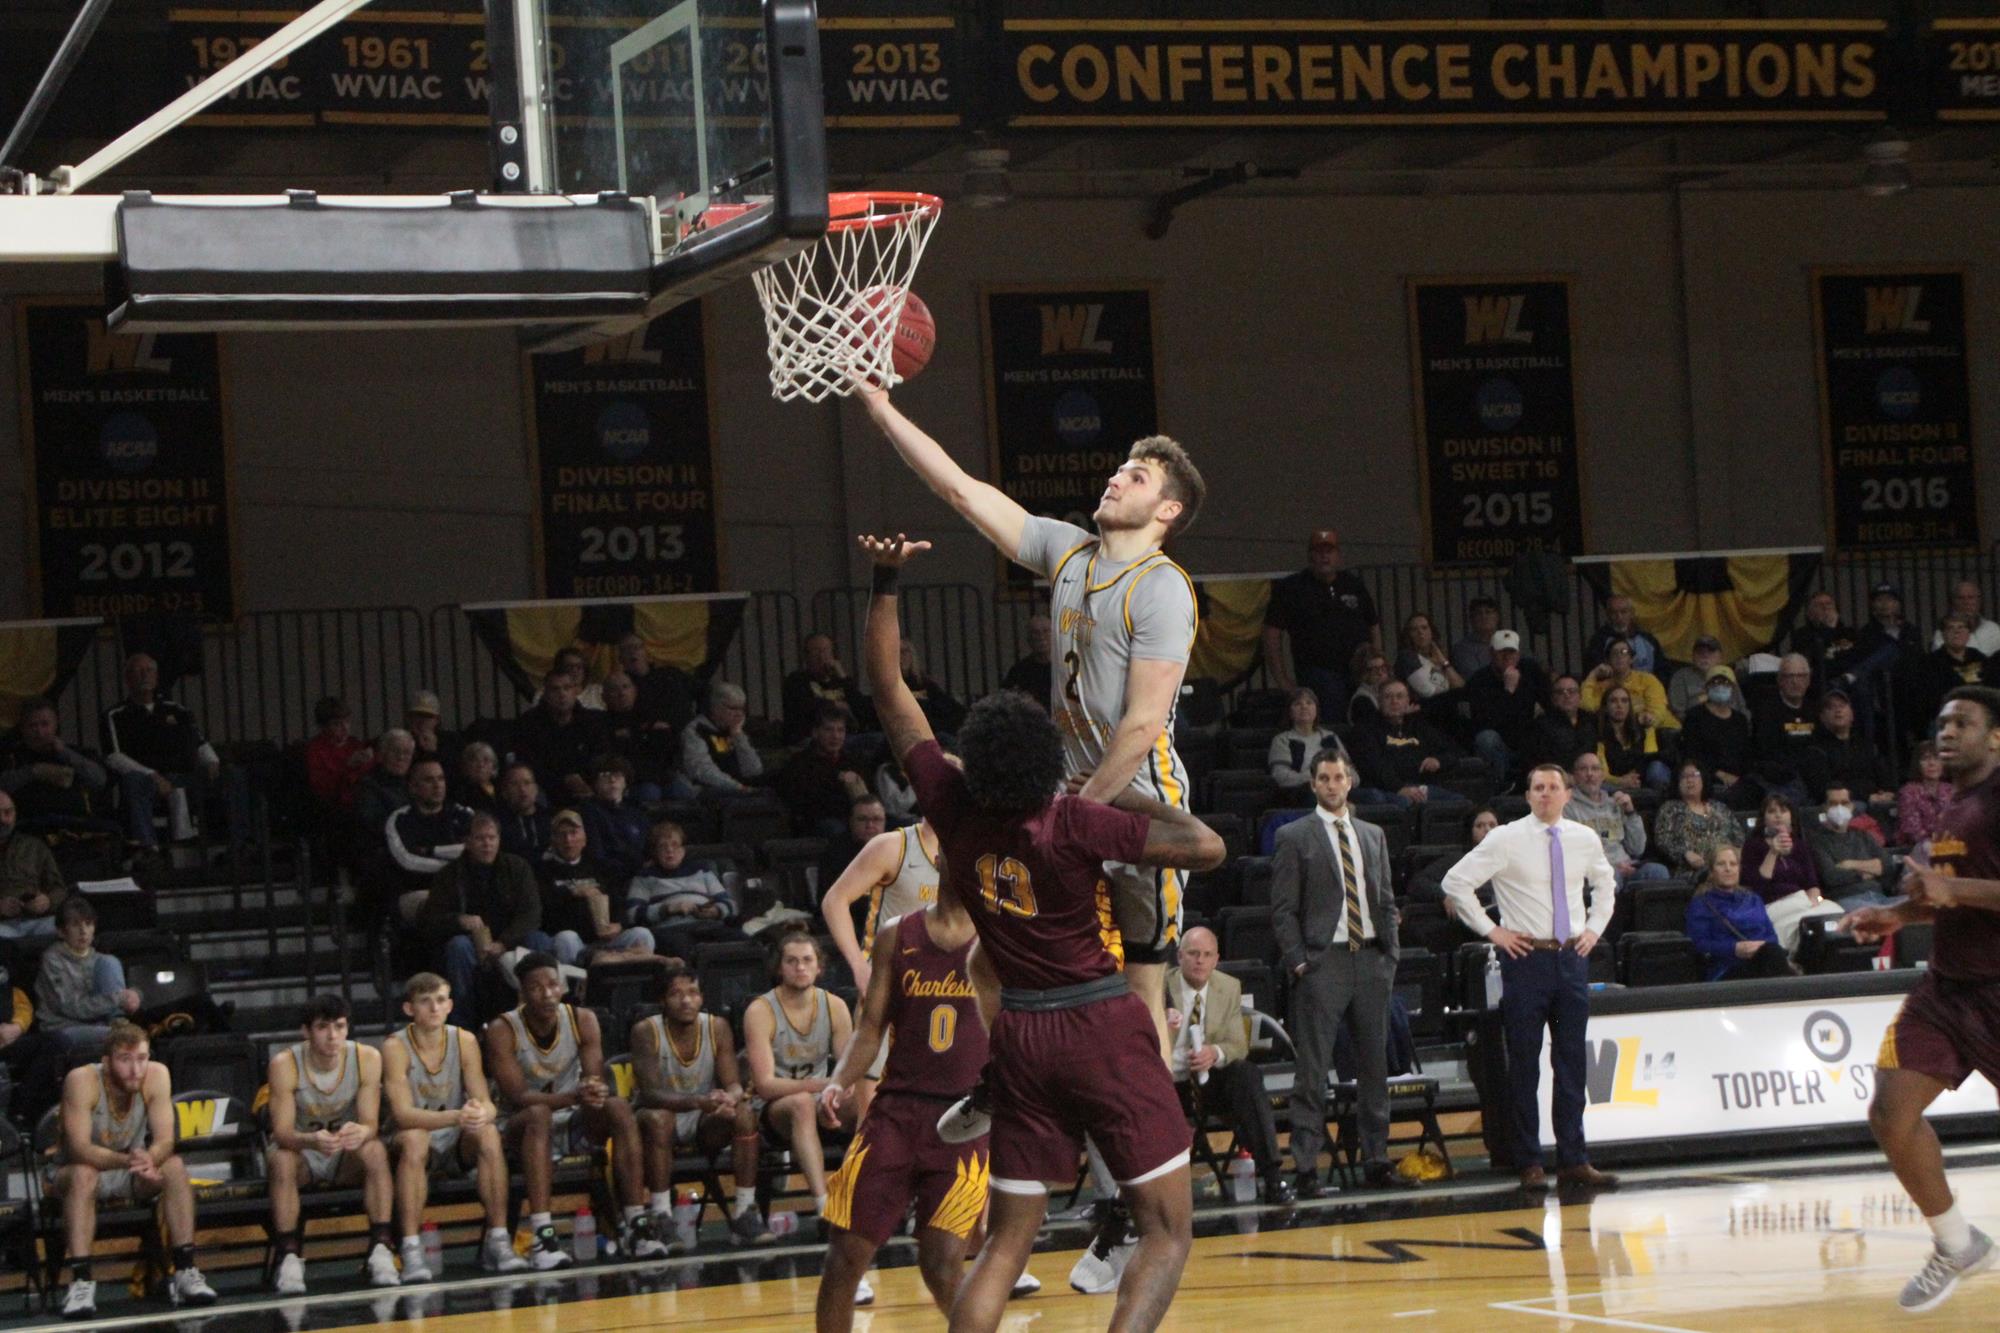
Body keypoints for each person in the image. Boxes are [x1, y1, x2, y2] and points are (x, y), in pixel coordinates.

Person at [858, 531, 1224, 1331]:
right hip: (1099, 1019)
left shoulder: (951, 808)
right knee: (1167, 1229)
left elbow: (888, 689)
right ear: (1044, 759)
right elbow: (1207, 847)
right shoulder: (1074, 819)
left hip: (1019, 1034)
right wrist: (1125, 792)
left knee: (1004, 1245)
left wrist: (885, 580)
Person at [859, 386, 1206, 1073]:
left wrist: (1077, 816)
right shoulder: (1068, 552)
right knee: (990, 960)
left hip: (1136, 797)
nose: (1116, 478)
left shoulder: (1163, 586)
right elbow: (961, 491)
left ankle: (1156, 1123)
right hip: (1066, 801)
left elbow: (1141, 725)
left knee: (1141, 984)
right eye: (1119, 468)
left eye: (1136, 476)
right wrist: (879, 407)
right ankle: (1010, 1080)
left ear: (1167, 511)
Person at [1838, 685, 2000, 1313]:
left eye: (1963, 722)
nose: (1947, 732)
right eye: (1942, 722)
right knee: (1890, 1111)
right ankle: (1957, 1243)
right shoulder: (1953, 804)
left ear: (1996, 736)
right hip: (1947, 989)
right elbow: (1946, 890)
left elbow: (1962, 890)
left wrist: (1955, 893)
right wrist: (1898, 914)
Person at [815, 867, 994, 1329]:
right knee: (844, 1256)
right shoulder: (897, 934)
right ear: (940, 860)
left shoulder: (1002, 937)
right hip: (896, 1113)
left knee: (942, 1263)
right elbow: (870, 1027)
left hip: (967, 1118)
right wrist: (838, 1081)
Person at [1439, 764, 1620, 1191]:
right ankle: (1529, 1161)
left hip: (1572, 957)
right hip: (1526, 960)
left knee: (1572, 1063)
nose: (1545, 794)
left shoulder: (1583, 837)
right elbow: (1455, 882)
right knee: (1524, 1063)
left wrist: (1595, 928)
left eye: (1553, 787)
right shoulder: (1506, 838)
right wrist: (1493, 931)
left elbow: (1606, 883)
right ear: (1527, 795)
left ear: (1567, 794)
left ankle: (1575, 1159)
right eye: (1538, 787)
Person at [1272, 750, 1405, 1198]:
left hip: (1370, 959)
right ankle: (1306, 1167)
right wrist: (1299, 961)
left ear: (1350, 781)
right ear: (1313, 784)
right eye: (1324, 778)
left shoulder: (1372, 834)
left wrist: (1390, 955)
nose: (1332, 785)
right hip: (1322, 961)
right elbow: (1283, 909)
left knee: (1374, 1067)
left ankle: (1376, 1159)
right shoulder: (1294, 835)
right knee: (1312, 1071)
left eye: (1339, 777)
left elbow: (1385, 899)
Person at [488, 951, 664, 1268]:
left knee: (618, 1108)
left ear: (562, 986)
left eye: (553, 985)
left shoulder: (583, 1019)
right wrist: (575, 1096)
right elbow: (519, 1096)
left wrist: (595, 1090)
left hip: (570, 1118)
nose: (548, 994)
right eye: (537, 987)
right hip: (518, 1126)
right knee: (539, 1114)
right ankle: (542, 1235)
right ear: (522, 993)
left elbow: (593, 1079)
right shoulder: (503, 1028)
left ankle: (635, 1224)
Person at [51, 1021, 217, 1317]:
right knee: (83, 1174)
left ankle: (185, 1270)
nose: (135, 1069)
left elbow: (165, 1141)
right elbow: (79, 1149)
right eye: (125, 1059)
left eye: (141, 1058)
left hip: (130, 1169)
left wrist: (149, 1160)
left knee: (174, 1167)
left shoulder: (157, 1075)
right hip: (74, 1172)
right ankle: (81, 1283)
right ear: (106, 1061)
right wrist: (129, 1160)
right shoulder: (82, 1080)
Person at [381, 973, 526, 1279]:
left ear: (450, 1005)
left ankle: (498, 1240)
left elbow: (486, 1102)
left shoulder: (464, 1040)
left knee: (488, 1132)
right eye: (425, 1001)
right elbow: (403, 1115)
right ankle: (411, 1249)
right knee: (415, 1138)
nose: (434, 1008)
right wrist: (459, 1116)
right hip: (410, 1140)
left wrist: (481, 1113)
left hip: (455, 1137)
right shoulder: (394, 1046)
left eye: (440, 1000)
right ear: (409, 1009)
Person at [632, 966, 772, 1248]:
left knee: (744, 1114)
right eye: (676, 994)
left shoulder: (717, 1027)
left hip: (703, 1118)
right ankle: (661, 1214)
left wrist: (729, 1099)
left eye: (693, 993)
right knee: (660, 1119)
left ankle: (744, 1212)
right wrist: (698, 1101)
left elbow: (733, 1083)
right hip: (660, 1117)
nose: (686, 1000)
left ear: (702, 997)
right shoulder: (646, 1031)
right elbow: (650, 1094)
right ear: (662, 1000)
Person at [266, 994, 399, 1294]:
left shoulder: (367, 1058)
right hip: (303, 1153)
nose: (332, 1035)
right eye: (323, 1027)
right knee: (281, 1159)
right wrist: (310, 1140)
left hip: (344, 1154)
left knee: (375, 1149)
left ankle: (381, 1248)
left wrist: (360, 1132)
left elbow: (371, 1124)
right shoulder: (285, 1064)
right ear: (306, 1031)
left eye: (339, 1026)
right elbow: (281, 1132)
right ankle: (288, 1256)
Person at [1162, 926, 1289, 1203]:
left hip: (1209, 1082)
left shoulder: (1228, 986)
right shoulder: (1162, 986)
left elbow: (1237, 1045)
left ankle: (1272, 1175)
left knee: (1246, 1075)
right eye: (1193, 954)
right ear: (1180, 956)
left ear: (1216, 959)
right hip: (1169, 1083)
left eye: (1207, 955)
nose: (1200, 961)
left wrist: (1214, 1053)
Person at [743, 929, 855, 1223]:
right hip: (774, 1108)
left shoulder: (835, 1006)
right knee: (801, 1103)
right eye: (792, 961)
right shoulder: (760, 1010)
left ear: (820, 967)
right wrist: (824, 1085)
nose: (800, 967)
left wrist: (839, 1090)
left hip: (822, 1098)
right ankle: (824, 1206)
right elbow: (765, 1086)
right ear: (779, 968)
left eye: (807, 960)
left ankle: (863, 1197)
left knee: (867, 1102)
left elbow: (849, 1069)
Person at [417, 813, 552, 1030]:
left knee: (540, 940)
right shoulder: (449, 875)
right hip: (471, 945)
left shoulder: (517, 867)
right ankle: (463, 1027)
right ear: (467, 842)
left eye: (491, 838)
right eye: (480, 838)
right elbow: (431, 920)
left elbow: (531, 914)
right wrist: (459, 920)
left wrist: (504, 942)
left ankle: (546, 1014)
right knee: (458, 947)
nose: (487, 844)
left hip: (511, 941)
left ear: (499, 839)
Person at [100, 652, 245, 851]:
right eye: (138, 671)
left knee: (233, 775)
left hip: (184, 775)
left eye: (149, 670)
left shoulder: (177, 710)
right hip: (147, 779)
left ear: (157, 676)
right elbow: (113, 756)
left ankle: (239, 844)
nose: (144, 675)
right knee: (133, 782)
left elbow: (199, 742)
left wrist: (212, 761)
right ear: (128, 678)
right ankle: (148, 849)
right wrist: (152, 775)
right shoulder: (116, 715)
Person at [1261, 530, 1381, 716]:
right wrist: (1282, 680)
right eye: (1319, 552)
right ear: (1310, 556)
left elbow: (1373, 624)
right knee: (1332, 721)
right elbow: (1272, 633)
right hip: (1319, 674)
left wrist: (1377, 663)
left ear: (1338, 555)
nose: (1325, 557)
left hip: (1359, 671)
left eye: (1329, 551)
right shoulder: (1292, 588)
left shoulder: (1353, 584)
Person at [821, 817, 939, 996]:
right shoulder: (891, 846)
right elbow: (835, 900)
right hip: (892, 980)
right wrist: (859, 966)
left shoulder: (975, 853)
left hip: (951, 981)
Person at [537, 810, 655, 967]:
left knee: (642, 934)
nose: (568, 840)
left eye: (573, 833)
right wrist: (572, 892)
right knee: (566, 938)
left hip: (606, 939)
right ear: (553, 840)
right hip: (574, 941)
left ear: (584, 838)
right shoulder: (543, 870)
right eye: (562, 834)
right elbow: (544, 908)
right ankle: (576, 981)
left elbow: (617, 900)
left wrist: (619, 925)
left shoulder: (599, 866)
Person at [625, 821, 748, 957]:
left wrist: (715, 911)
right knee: (682, 950)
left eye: (675, 845)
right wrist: (667, 909)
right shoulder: (643, 878)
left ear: (683, 850)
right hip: (670, 930)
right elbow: (632, 915)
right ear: (655, 852)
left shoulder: (703, 871)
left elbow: (731, 905)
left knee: (744, 942)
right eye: (663, 846)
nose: (670, 850)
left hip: (708, 925)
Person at [36, 897, 139, 1058]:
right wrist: (118, 999)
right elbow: (68, 1007)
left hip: (100, 1023)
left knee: (109, 962)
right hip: (63, 1027)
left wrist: (135, 996)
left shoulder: (100, 960)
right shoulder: (52, 959)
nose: (83, 931)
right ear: (62, 931)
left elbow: (125, 995)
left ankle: (118, 1023)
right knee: (123, 1040)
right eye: (75, 925)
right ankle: (119, 1033)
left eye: (88, 924)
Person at [0, 697, 112, 841]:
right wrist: (33, 771)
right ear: (22, 728)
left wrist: (65, 754)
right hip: (29, 828)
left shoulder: (80, 754)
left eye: (45, 724)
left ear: (55, 724)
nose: (39, 732)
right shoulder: (11, 758)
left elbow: (99, 780)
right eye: (33, 725)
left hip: (77, 824)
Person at [1740, 793, 1840, 952]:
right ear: (1764, 818)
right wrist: (1773, 852)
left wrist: (1813, 902)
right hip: (1772, 905)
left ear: (1791, 816)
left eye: (1783, 811)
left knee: (1835, 914)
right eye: (1772, 811)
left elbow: (1812, 884)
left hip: (1803, 901)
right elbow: (1757, 884)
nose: (1778, 815)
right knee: (1800, 927)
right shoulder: (1753, 846)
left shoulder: (1800, 845)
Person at [1348, 680, 1467, 808]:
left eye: (1399, 696)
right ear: (1379, 701)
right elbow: (1374, 766)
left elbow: (1455, 751)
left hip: (1421, 786)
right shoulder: (1365, 729)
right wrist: (1399, 788)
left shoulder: (1418, 726)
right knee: (1405, 803)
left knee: (1460, 802)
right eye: (1388, 697)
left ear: (1407, 701)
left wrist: (1438, 761)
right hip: (1387, 790)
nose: (1394, 701)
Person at [1684, 847, 1791, 981]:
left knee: (1774, 953)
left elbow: (1772, 937)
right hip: (1726, 969)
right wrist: (1734, 948)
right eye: (1721, 864)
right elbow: (1697, 944)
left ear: (1739, 869)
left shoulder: (1753, 899)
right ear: (1711, 871)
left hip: (1765, 958)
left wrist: (1759, 946)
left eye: (1733, 864)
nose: (1728, 869)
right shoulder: (1701, 904)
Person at [1565, 753, 1667, 891]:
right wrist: (1612, 867)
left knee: (1658, 872)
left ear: (1602, 775)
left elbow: (1637, 849)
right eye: (1583, 769)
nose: (1590, 774)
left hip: (1627, 867)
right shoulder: (1568, 807)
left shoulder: (1615, 803)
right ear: (1575, 776)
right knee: (1610, 877)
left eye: (1595, 769)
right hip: (1594, 872)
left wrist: (1631, 813)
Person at [1466, 630, 1552, 780]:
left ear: (1518, 654)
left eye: (1511, 652)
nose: (1507, 657)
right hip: (1499, 745)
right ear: (1491, 653)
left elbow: (1549, 702)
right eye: (1501, 652)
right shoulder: (1479, 680)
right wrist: (1508, 691)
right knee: (1486, 738)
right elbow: (1484, 723)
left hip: (1527, 741)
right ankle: (1498, 785)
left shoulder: (1530, 671)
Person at [508, 671, 607, 802]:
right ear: (545, 693)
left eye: (567, 688)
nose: (562, 694)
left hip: (588, 786)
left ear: (575, 691)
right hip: (546, 790)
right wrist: (563, 780)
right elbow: (528, 764)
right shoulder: (528, 723)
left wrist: (584, 780)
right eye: (555, 689)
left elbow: (602, 757)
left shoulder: (592, 721)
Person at [779, 704, 870, 837]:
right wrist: (838, 778)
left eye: (840, 730)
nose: (835, 736)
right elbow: (807, 803)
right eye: (829, 730)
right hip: (820, 821)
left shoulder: (853, 760)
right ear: (815, 733)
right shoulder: (801, 762)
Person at [601, 672, 691, 805]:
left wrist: (634, 733)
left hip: (661, 775)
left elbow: (667, 747)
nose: (622, 693)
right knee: (650, 792)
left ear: (635, 691)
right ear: (604, 696)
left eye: (625, 687)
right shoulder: (601, 723)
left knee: (682, 792)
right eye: (614, 689)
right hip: (630, 781)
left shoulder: (651, 715)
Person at [1808, 781, 1896, 907]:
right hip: (1846, 900)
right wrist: (1869, 871)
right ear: (1824, 808)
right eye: (1833, 804)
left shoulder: (1862, 835)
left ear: (1852, 806)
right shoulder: (1817, 841)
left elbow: (1888, 864)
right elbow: (1831, 877)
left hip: (1879, 896)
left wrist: (1849, 864)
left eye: (1844, 803)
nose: (1839, 808)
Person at [0, 789, 65, 954]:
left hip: (38, 920)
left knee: (71, 929)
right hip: (2, 925)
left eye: (8, 812)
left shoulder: (34, 847)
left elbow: (59, 889)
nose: (3, 819)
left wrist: (47, 901)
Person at [1652, 761, 1743, 878]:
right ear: (1677, 783)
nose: (1689, 780)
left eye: (1694, 775)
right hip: (1693, 872)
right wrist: (1685, 853)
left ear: (1703, 779)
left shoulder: (1720, 807)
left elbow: (1739, 839)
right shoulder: (1670, 809)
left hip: (1727, 867)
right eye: (1684, 776)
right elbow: (1663, 840)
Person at [1678, 664, 1755, 800]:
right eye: (1716, 682)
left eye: (1726, 683)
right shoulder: (1695, 716)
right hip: (1707, 777)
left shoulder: (1740, 719)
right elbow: (1692, 753)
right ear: (1706, 687)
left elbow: (1745, 754)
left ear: (1733, 689)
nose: (1721, 686)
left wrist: (1740, 778)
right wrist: (1719, 774)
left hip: (1738, 779)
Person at [1808, 687, 1896, 805]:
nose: (1838, 710)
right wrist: (1866, 797)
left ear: (1852, 714)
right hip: (1842, 804)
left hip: (1877, 801)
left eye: (1842, 706)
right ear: (1822, 717)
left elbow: (1884, 777)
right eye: (1831, 707)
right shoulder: (1817, 750)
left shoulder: (1867, 745)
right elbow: (1822, 789)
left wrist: (1888, 792)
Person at [783, 633, 870, 745]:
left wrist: (843, 677)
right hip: (811, 737)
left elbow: (860, 706)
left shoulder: (840, 681)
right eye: (816, 652)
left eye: (826, 651)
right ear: (807, 657)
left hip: (846, 735)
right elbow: (804, 706)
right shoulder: (797, 680)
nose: (821, 657)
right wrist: (835, 705)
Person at [681, 681, 764, 797]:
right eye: (733, 708)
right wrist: (736, 787)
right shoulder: (696, 730)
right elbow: (701, 770)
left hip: (738, 786)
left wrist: (738, 736)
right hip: (710, 789)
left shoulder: (735, 729)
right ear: (716, 708)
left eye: (741, 709)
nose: (739, 714)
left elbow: (754, 770)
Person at [1406, 806, 1501, 904]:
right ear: (1470, 832)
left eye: (1492, 825)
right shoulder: (1458, 861)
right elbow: (1418, 882)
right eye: (1479, 826)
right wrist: (1444, 897)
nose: (1487, 830)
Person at [1581, 637, 1677, 732]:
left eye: (1624, 652)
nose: (1619, 656)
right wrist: (1593, 674)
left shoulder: (1647, 680)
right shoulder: (1603, 687)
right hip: (1626, 733)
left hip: (1663, 730)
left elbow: (1658, 710)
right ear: (1608, 661)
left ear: (1631, 659)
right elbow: (1587, 705)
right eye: (1614, 653)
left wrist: (1646, 719)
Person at [616, 631, 700, 737]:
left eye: (637, 647)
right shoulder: (621, 688)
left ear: (645, 652)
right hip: (652, 739)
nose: (633, 652)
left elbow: (702, 691)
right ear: (620, 658)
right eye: (627, 649)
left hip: (691, 733)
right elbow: (621, 727)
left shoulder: (670, 673)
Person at [579, 753, 650, 876]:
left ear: (625, 781)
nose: (612, 780)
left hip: (642, 873)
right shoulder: (589, 811)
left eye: (618, 775)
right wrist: (635, 868)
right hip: (610, 875)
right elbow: (597, 855)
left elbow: (647, 846)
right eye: (605, 775)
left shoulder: (637, 810)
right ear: (595, 783)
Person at [1916, 615, 1988, 736]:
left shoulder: (1979, 657)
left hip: (1980, 718)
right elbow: (1925, 701)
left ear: (1968, 633)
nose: (1957, 632)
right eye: (1951, 628)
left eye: (1961, 627)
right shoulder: (1930, 663)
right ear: (1943, 634)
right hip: (1947, 720)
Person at [1593, 684, 1669, 791]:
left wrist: (1633, 777)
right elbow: (1601, 771)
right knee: (1599, 784)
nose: (1619, 705)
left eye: (1624, 701)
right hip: (1612, 781)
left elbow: (1647, 758)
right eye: (1613, 701)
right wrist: (1621, 781)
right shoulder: (1598, 732)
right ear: (1605, 706)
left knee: (1657, 768)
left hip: (1637, 778)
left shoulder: (1638, 729)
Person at [304, 697, 373, 813]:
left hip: (362, 803)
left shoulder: (355, 744)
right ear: (323, 727)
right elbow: (322, 788)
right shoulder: (315, 750)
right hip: (333, 809)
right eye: (337, 724)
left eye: (347, 722)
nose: (345, 728)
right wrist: (348, 766)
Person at [1267, 688, 1343, 791]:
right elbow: (1281, 777)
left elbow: (1352, 774)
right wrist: (1317, 777)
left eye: (1309, 703)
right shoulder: (1282, 740)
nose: (1304, 706)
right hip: (1302, 792)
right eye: (1298, 704)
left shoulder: (1330, 737)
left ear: (1316, 710)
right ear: (1290, 712)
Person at [354, 729, 416, 849]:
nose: (401, 757)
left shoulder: (414, 782)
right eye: (395, 751)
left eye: (407, 752)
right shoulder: (368, 785)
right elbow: (372, 824)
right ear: (381, 755)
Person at [1790, 591, 1859, 693]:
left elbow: (1856, 658)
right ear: (1810, 614)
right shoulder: (1802, 635)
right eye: (1819, 605)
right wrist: (1828, 629)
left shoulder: (1849, 633)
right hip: (1822, 685)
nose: (1825, 607)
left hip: (1850, 682)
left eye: (1828, 603)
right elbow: (1812, 662)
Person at [1529, 675, 1599, 773]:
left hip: (1589, 775)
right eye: (1560, 692)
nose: (1567, 695)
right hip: (1557, 777)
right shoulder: (1541, 725)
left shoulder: (1590, 721)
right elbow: (1539, 762)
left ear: (1580, 697)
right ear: (1553, 698)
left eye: (1572, 691)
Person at [1667, 636, 1746, 721]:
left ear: (1720, 657)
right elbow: (1678, 711)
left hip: (1730, 724)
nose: (1705, 655)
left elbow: (1742, 708)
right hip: (1695, 723)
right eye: (1700, 651)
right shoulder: (1681, 676)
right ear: (1692, 656)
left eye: (1711, 651)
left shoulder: (1728, 675)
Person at [900, 641, 968, 737]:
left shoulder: (923, 681)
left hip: (934, 726)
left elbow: (946, 702)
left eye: (905, 651)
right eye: (897, 652)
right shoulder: (889, 684)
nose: (901, 656)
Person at [1583, 595, 1665, 675]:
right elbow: (1591, 671)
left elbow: (1662, 670)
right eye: (1613, 613)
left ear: (1632, 613)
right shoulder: (1598, 641)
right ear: (1608, 615)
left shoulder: (1648, 640)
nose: (1619, 617)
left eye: (1624, 612)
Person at [1396, 612, 1464, 704]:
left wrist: (1443, 661)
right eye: (1414, 629)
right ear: (1409, 635)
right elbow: (1428, 692)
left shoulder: (1439, 657)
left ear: (1432, 631)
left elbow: (1460, 687)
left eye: (1424, 628)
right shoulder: (1407, 657)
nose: (1420, 632)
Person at [1898, 740, 1955, 845]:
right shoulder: (1909, 792)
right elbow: (1913, 832)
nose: (1932, 763)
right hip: (1918, 847)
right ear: (1917, 764)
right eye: (1925, 759)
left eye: (1937, 758)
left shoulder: (1951, 790)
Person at [495, 762, 550, 861]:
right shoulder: (497, 823)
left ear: (536, 789)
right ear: (504, 792)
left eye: (527, 783)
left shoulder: (551, 818)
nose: (522, 789)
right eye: (514, 784)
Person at [1930, 581, 2000, 655]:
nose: (1966, 602)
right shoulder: (1944, 633)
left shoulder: (1993, 628)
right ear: (1953, 602)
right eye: (1961, 598)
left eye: (1971, 597)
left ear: (1979, 601)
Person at [1000, 613, 1054, 707]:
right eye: (1035, 632)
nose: (1041, 637)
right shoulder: (1019, 671)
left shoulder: (1067, 668)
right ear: (1029, 639)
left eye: (1046, 631)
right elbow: (1006, 701)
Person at [404, 690, 458, 771]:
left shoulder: (451, 741)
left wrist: (432, 752)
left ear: (437, 720)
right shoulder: (399, 741)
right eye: (418, 715)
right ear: (408, 718)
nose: (422, 720)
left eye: (428, 716)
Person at [1449, 597, 1501, 681]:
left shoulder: (1507, 642)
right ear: (1471, 619)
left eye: (1488, 612)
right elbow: (1473, 677)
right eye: (1478, 613)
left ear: (1497, 617)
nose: (1484, 616)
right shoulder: (1462, 649)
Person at [1344, 646, 1393, 727]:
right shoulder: (1362, 700)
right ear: (1363, 673)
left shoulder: (1387, 692)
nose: (1380, 673)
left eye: (1383, 667)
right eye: (1375, 669)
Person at [453, 741, 501, 816]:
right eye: (474, 760)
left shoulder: (501, 788)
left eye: (486, 760)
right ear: (465, 765)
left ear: (493, 766)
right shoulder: (462, 792)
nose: (481, 765)